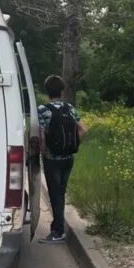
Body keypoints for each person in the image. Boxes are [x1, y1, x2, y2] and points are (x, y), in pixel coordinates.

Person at [37, 75, 87, 244]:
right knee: (61, 193)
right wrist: (72, 146)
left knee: (55, 195)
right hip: (68, 159)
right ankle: (57, 227)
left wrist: (42, 153)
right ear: (61, 90)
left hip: (53, 160)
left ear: (47, 91)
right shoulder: (69, 108)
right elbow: (83, 130)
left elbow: (41, 136)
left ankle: (58, 232)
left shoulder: (43, 110)